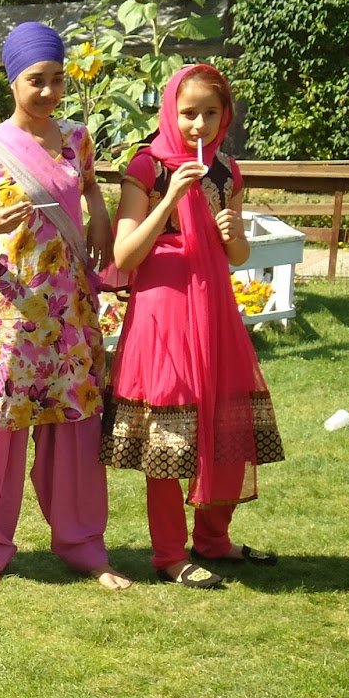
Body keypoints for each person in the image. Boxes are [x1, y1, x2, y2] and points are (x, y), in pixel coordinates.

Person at [0, 21, 130, 591]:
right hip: (10, 319)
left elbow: (91, 187)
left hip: (70, 315)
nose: (49, 92)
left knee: (75, 436)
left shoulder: (78, 139)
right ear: (12, 81)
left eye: (56, 79)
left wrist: (99, 213)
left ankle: (84, 547)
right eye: (36, 80)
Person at [101, 64, 283, 588]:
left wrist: (233, 233)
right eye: (188, 114)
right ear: (170, 112)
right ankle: (168, 554)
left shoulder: (227, 170)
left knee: (222, 417)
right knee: (170, 425)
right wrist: (171, 201)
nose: (199, 125)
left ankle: (213, 540)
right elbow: (125, 254)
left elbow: (238, 255)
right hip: (164, 309)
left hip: (213, 305)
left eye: (210, 113)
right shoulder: (148, 165)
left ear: (225, 116)